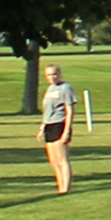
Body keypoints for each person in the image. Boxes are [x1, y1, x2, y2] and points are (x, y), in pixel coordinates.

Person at [40, 64, 76, 194]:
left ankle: (65, 187)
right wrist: (42, 127)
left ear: (59, 74)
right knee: (53, 161)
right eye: (49, 75)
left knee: (62, 159)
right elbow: (47, 111)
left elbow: (69, 110)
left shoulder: (65, 88)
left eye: (54, 74)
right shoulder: (49, 89)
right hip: (49, 124)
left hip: (60, 124)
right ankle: (60, 185)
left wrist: (67, 130)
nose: (52, 77)